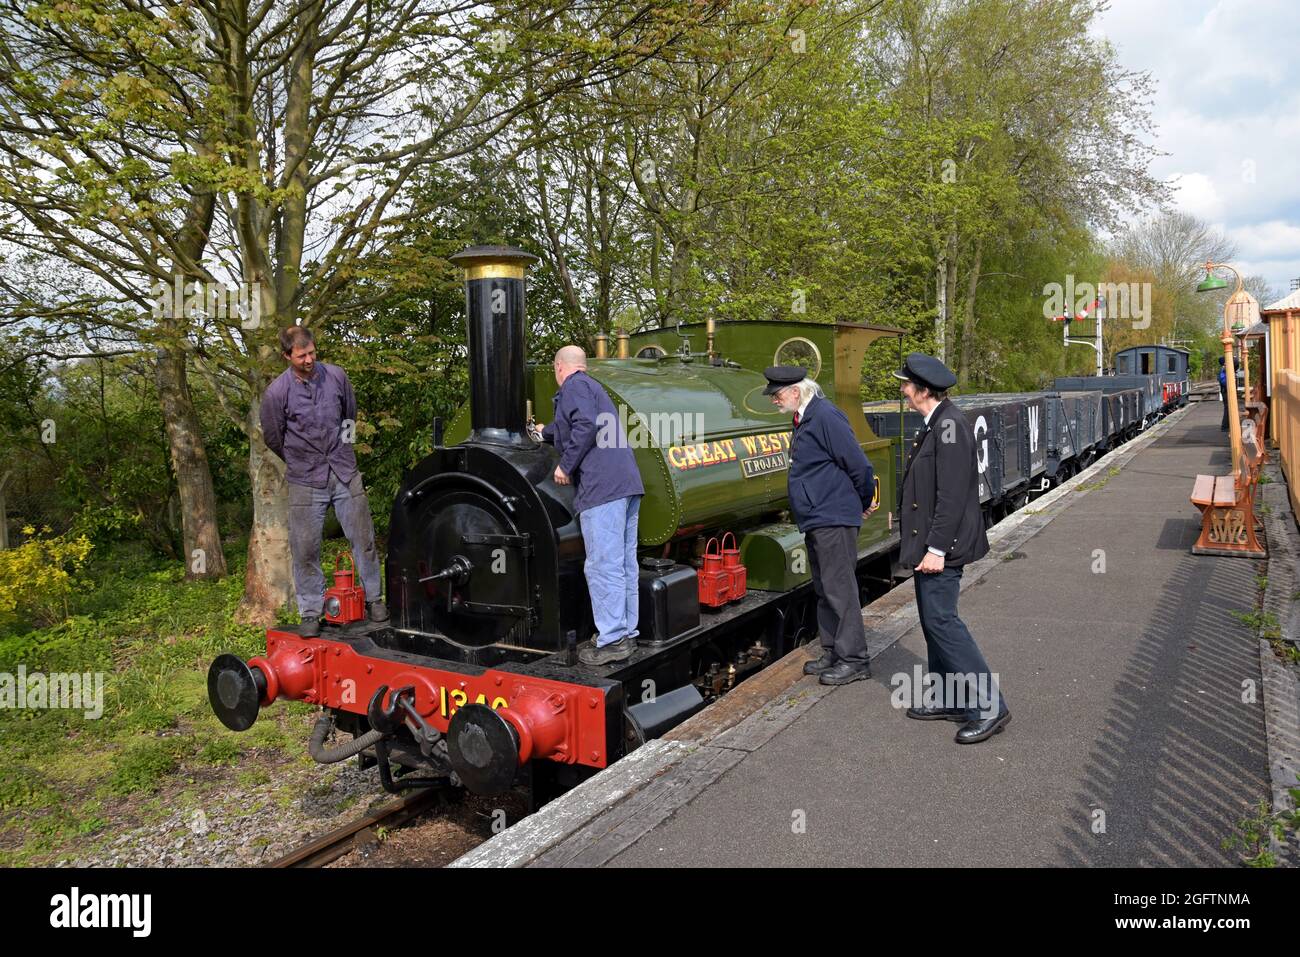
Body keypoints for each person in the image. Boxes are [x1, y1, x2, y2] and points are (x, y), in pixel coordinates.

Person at [895, 353, 1009, 744]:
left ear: (923, 390)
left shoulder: (949, 426)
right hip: (931, 544)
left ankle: (989, 706)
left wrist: (937, 548)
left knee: (944, 623)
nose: (903, 390)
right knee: (933, 622)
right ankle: (951, 696)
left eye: (907, 385)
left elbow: (953, 496)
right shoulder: (936, 423)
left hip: (943, 547)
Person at [260, 326, 387, 637]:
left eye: (312, 352)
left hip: (344, 471)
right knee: (305, 549)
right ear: (286, 355)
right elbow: (274, 438)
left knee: (364, 539)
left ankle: (375, 600)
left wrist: (343, 451)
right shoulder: (276, 393)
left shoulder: (336, 376)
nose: (309, 359)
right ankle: (311, 612)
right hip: (305, 479)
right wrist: (302, 459)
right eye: (302, 355)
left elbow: (349, 417)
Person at [764, 365, 877, 686]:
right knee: (825, 588)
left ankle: (855, 659)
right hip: (818, 518)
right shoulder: (804, 419)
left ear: (796, 392)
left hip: (833, 517)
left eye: (777, 394)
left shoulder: (826, 416)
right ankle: (834, 651)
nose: (774, 399)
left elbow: (858, 464)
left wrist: (863, 501)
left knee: (839, 589)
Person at [536, 346, 645, 666]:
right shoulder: (592, 387)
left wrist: (565, 466)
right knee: (623, 563)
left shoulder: (574, 386)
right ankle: (625, 632)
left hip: (602, 489)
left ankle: (612, 638)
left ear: (559, 367)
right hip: (624, 484)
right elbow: (574, 425)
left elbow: (585, 424)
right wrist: (543, 432)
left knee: (602, 564)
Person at [1218, 357, 1228, 431]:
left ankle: (1226, 425)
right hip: (1225, 391)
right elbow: (1224, 382)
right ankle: (1224, 426)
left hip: (1225, 391)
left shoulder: (1223, 370)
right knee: (1227, 409)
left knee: (1227, 408)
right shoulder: (1223, 370)